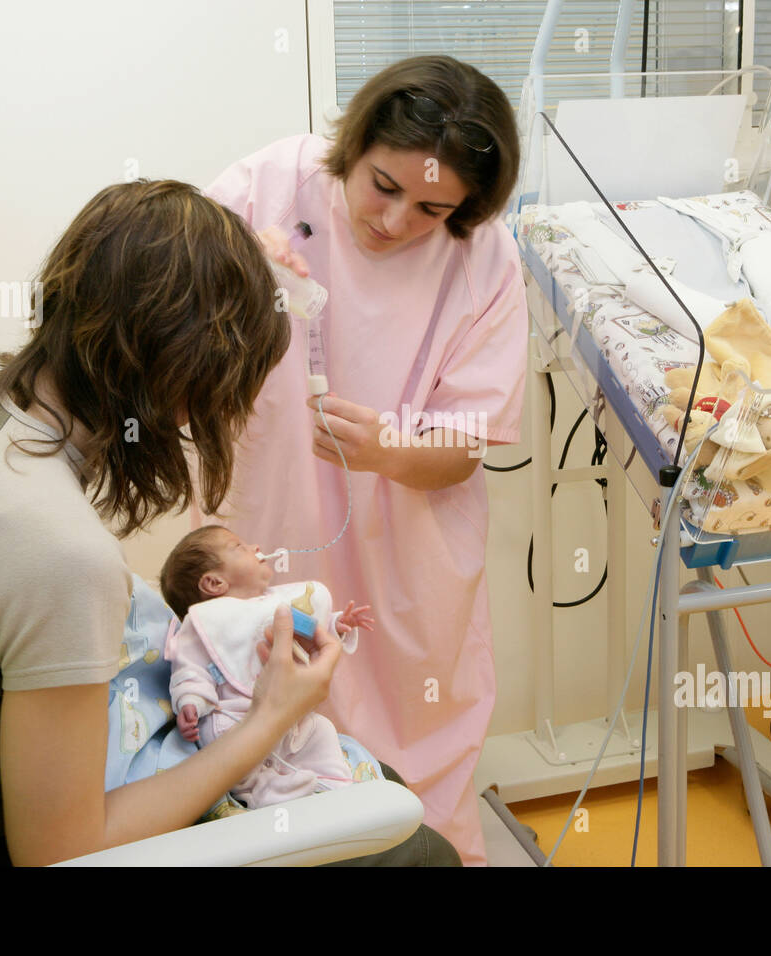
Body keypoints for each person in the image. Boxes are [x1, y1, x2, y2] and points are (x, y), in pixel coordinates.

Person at [0, 179, 455, 866]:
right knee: (416, 851)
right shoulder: (54, 545)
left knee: (370, 784)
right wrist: (274, 715)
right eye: (214, 389)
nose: (200, 419)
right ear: (177, 369)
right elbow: (60, 853)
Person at [199, 54, 527, 865]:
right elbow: (165, 289)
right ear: (356, 142)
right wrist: (241, 265)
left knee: (415, 734)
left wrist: (391, 449)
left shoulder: (484, 259)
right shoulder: (271, 183)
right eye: (384, 185)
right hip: (269, 511)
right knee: (267, 732)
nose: (395, 220)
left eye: (433, 207)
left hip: (409, 542)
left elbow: (469, 445)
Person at [159, 525, 381, 807]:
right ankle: (261, 789)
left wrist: (337, 624)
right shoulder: (205, 624)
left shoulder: (275, 604)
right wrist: (190, 700)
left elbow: (309, 631)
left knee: (320, 729)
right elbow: (189, 668)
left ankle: (333, 783)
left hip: (288, 718)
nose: (254, 548)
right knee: (215, 737)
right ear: (214, 583)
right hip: (233, 718)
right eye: (239, 547)